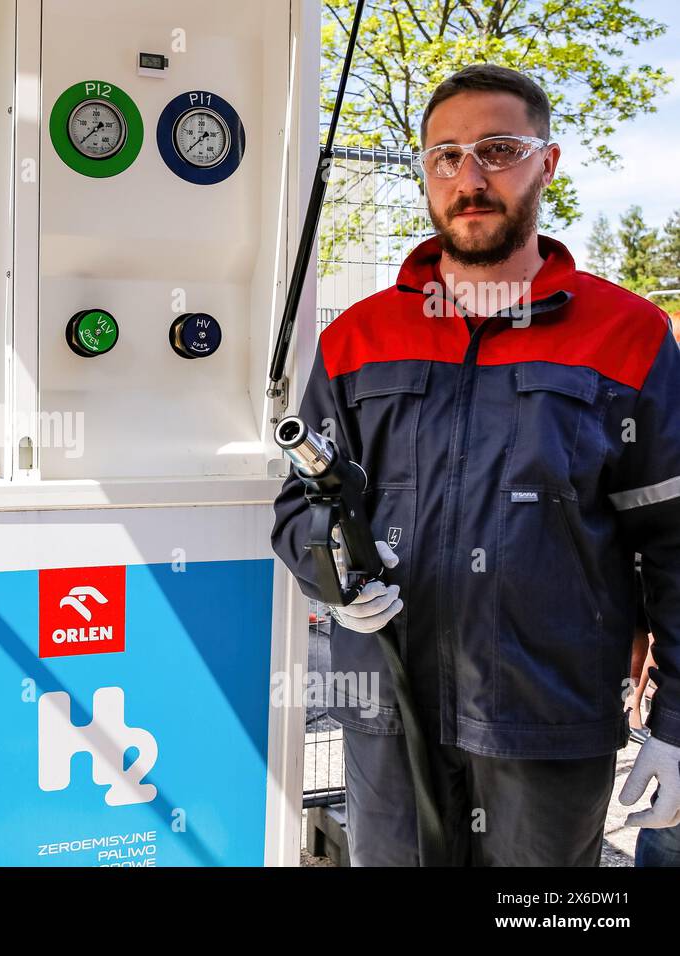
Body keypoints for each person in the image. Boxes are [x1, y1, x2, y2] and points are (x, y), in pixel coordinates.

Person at [272, 64, 680, 866]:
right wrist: (334, 573)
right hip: (389, 716)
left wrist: (676, 726)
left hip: (550, 726)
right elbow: (298, 508)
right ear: (424, 172)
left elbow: (673, 542)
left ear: (549, 162)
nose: (471, 177)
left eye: (499, 149)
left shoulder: (628, 337)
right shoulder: (358, 338)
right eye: (446, 156)